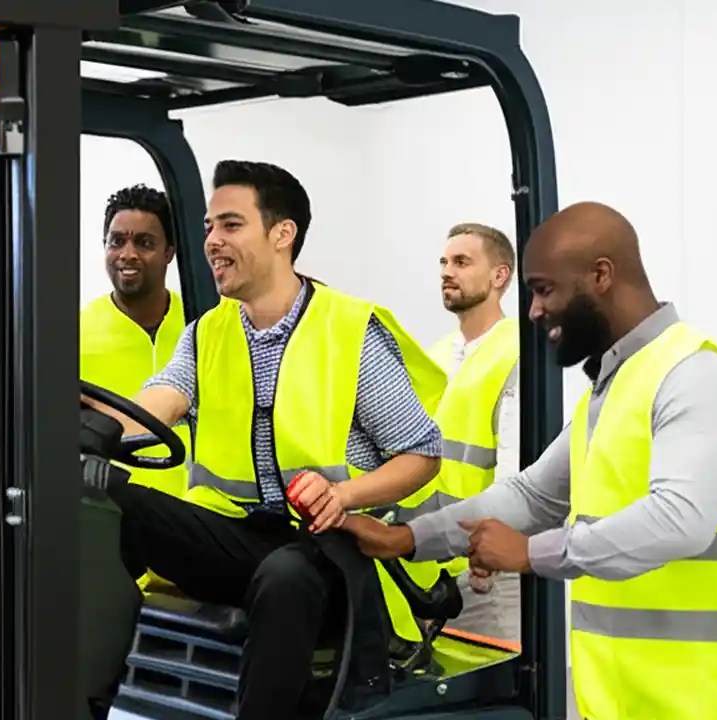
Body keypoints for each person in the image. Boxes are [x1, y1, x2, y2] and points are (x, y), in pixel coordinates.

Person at [342, 201, 717, 720]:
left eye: (544, 289)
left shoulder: (697, 375)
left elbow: (681, 519)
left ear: (600, 275)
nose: (534, 310)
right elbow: (533, 494)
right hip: (624, 699)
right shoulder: (614, 389)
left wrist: (532, 553)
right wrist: (410, 538)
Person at [86, 160, 448, 719]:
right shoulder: (209, 331)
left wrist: (345, 496)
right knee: (111, 503)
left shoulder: (349, 331)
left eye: (230, 225)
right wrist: (93, 423)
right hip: (238, 535)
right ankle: (83, 697)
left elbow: (421, 454)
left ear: (283, 235)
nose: (212, 241)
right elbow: (159, 402)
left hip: (330, 548)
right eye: (208, 228)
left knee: (284, 576)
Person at [392, 223, 521, 644]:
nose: (447, 272)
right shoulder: (435, 356)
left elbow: (516, 466)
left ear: (499, 276)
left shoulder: (518, 351)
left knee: (494, 691)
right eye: (444, 262)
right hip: (431, 564)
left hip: (486, 567)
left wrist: (493, 544)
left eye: (462, 262)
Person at [79, 184, 188, 498]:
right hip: (113, 513)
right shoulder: (73, 333)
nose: (128, 254)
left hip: (199, 518)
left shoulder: (202, 325)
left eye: (144, 243)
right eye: (117, 242)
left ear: (169, 251)